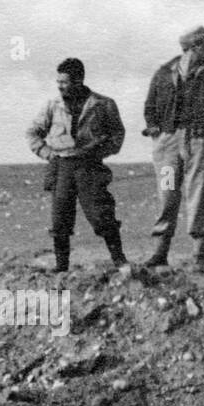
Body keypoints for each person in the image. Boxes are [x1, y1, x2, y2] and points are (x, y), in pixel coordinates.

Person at [26, 58, 128, 273]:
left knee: (102, 215)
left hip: (89, 168)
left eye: (64, 82)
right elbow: (33, 133)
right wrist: (48, 154)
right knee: (60, 220)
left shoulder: (103, 104)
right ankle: (61, 268)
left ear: (79, 80)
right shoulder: (52, 105)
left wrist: (99, 152)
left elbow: (117, 135)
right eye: (58, 82)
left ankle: (120, 261)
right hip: (61, 167)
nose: (60, 86)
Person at [144, 26, 204, 272]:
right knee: (167, 192)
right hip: (168, 144)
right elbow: (149, 105)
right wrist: (155, 130)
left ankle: (198, 257)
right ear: (192, 47)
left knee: (199, 195)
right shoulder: (163, 73)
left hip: (199, 142)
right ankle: (160, 253)